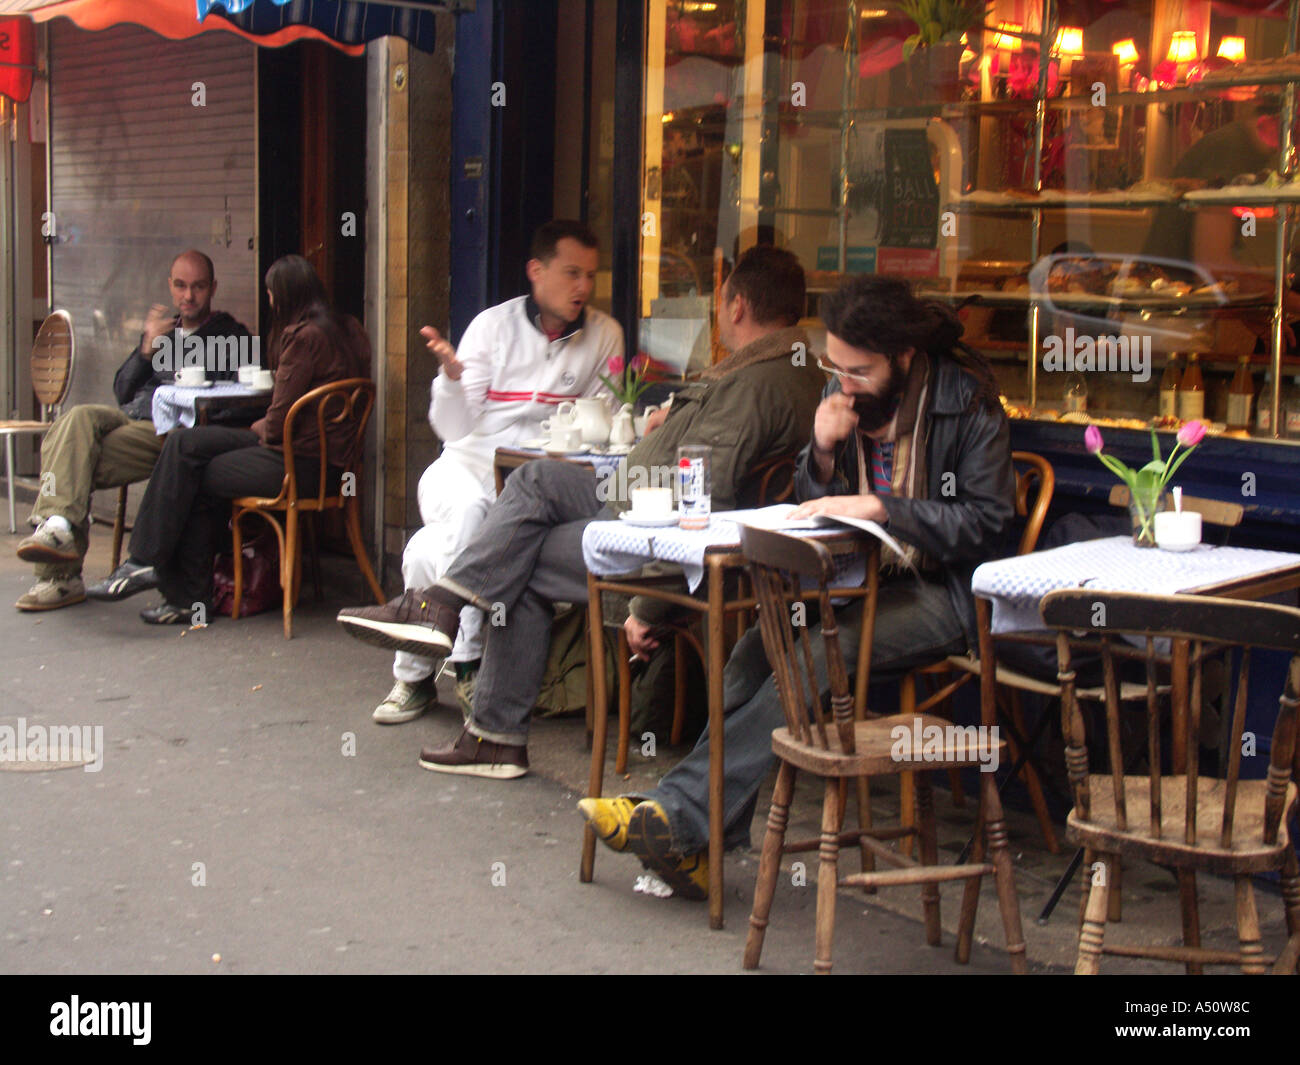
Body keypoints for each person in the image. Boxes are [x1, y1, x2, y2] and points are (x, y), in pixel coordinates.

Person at [578, 276, 1017, 899]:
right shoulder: (848, 398)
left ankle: (678, 815)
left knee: (813, 655)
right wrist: (821, 450)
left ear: (904, 358)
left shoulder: (967, 403)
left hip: (949, 592)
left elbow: (990, 522)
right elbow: (820, 506)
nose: (844, 383)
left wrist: (886, 509)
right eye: (834, 367)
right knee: (755, 648)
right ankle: (700, 840)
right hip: (862, 580)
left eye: (859, 371)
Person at [336, 244, 825, 779]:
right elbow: (710, 461)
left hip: (646, 525)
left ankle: (492, 730)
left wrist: (646, 606)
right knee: (535, 479)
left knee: (520, 553)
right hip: (634, 491)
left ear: (736, 306)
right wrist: (664, 432)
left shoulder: (755, 384)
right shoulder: (789, 370)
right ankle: (444, 609)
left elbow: (705, 486)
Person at [374, 220, 623, 726]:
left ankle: (414, 677)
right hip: (461, 472)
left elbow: (605, 426)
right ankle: (467, 664)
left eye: (591, 276)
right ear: (537, 271)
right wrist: (449, 380)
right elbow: (451, 427)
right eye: (572, 273)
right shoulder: (491, 327)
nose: (584, 287)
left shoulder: (605, 335)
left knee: (427, 549)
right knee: (469, 516)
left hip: (532, 488)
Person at [85, 254, 371, 624]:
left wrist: (252, 429)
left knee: (193, 466)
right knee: (185, 446)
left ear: (283, 297)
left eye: (270, 295)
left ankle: (170, 582)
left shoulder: (303, 339)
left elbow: (275, 423)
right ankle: (156, 572)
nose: (269, 302)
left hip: (297, 463)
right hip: (329, 465)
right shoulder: (349, 329)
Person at [14, 250, 250, 611]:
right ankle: (59, 525)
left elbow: (238, 401)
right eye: (182, 286)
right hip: (135, 416)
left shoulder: (230, 334)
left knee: (69, 457)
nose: (189, 296)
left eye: (199, 287)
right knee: (73, 422)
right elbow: (122, 390)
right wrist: (145, 349)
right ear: (170, 287)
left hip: (171, 430)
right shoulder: (164, 332)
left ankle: (59, 578)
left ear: (213, 288)